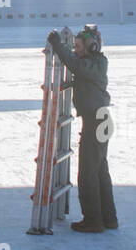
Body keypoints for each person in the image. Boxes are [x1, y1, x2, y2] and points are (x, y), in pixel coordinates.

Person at [46, 25, 118, 232]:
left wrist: (58, 45)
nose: (75, 50)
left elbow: (76, 65)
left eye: (78, 46)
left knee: (88, 174)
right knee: (100, 171)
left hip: (97, 120)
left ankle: (93, 220)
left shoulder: (97, 63)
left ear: (92, 46)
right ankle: (108, 218)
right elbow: (81, 73)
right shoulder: (92, 63)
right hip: (98, 120)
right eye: (74, 46)